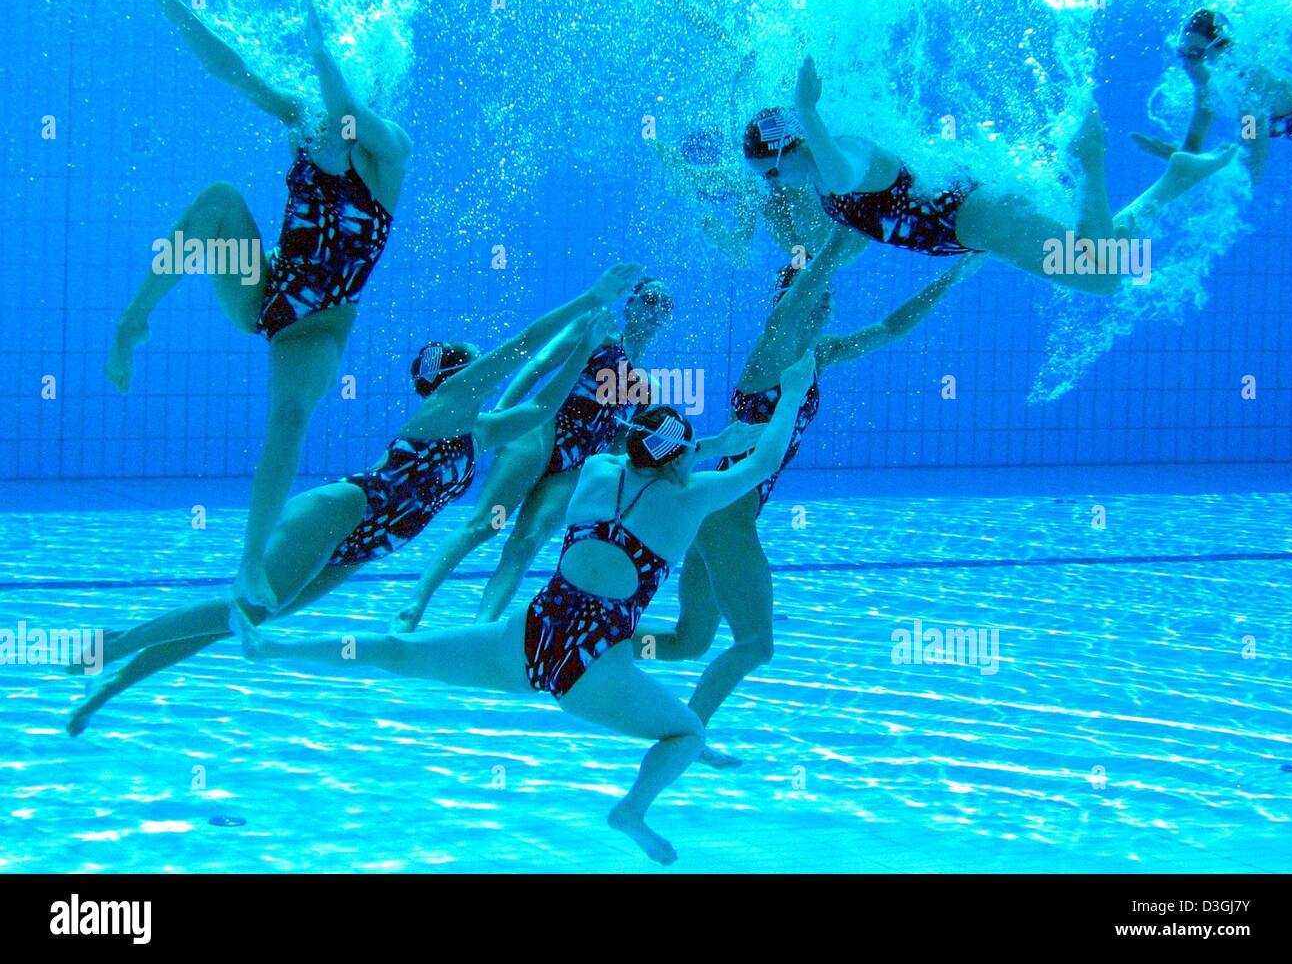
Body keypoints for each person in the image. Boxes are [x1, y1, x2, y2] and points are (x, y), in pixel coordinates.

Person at [228, 355, 817, 865]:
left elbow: (644, 454)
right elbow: (763, 463)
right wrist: (791, 392)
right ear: (679, 461)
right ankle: (631, 812)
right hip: (589, 670)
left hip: (529, 637)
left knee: (397, 654)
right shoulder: (691, 500)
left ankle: (271, 647)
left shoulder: (596, 471)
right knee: (686, 734)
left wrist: (700, 444)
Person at [68, 266, 641, 736]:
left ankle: (115, 680)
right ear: (456, 373)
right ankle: (113, 646)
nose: (484, 363)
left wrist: (582, 352)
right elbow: (519, 349)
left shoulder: (476, 431)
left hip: (363, 547)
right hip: (344, 512)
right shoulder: (445, 405)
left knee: (241, 620)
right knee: (245, 610)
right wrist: (587, 297)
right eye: (474, 359)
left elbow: (540, 412)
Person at [106, 0, 413, 616]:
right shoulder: (305, 117)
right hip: (265, 288)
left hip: (319, 322)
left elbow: (350, 109)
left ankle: (250, 559)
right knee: (219, 199)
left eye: (337, 116)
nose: (322, 124)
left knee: (290, 413)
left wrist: (319, 47)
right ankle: (134, 319)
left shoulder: (387, 152)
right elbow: (226, 65)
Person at [636, 246, 983, 767]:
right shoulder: (771, 353)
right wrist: (830, 246)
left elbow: (892, 327)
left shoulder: (815, 357)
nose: (826, 307)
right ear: (796, 300)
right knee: (755, 644)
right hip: (725, 511)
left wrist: (954, 274)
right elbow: (792, 307)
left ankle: (600, 640)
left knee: (689, 641)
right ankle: (688, 737)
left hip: (716, 510)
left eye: (828, 299)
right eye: (816, 298)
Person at [743, 56, 1238, 294]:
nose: (770, 185)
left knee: (1101, 275)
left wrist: (808, 109)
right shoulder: (816, 180)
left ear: (792, 148)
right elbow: (857, 223)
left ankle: (1092, 154)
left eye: (769, 172)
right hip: (967, 229)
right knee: (1103, 251)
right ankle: (1174, 180)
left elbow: (846, 178)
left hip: (977, 216)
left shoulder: (845, 155)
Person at [391, 277, 674, 631]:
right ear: (630, 304)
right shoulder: (598, 329)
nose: (654, 311)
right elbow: (537, 365)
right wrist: (503, 416)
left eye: (664, 306)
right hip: (539, 433)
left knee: (526, 543)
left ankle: (482, 627)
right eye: (649, 300)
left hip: (575, 465)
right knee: (486, 524)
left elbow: (619, 444)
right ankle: (414, 606)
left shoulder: (649, 386)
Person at [1132, 9, 1292, 185]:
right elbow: (1192, 149)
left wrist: (1208, 167)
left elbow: (1252, 164)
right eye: (1183, 55)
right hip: (1279, 119)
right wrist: (1175, 157)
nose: (1188, 64)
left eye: (1196, 54)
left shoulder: (1250, 84)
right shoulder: (1206, 84)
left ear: (1224, 48)